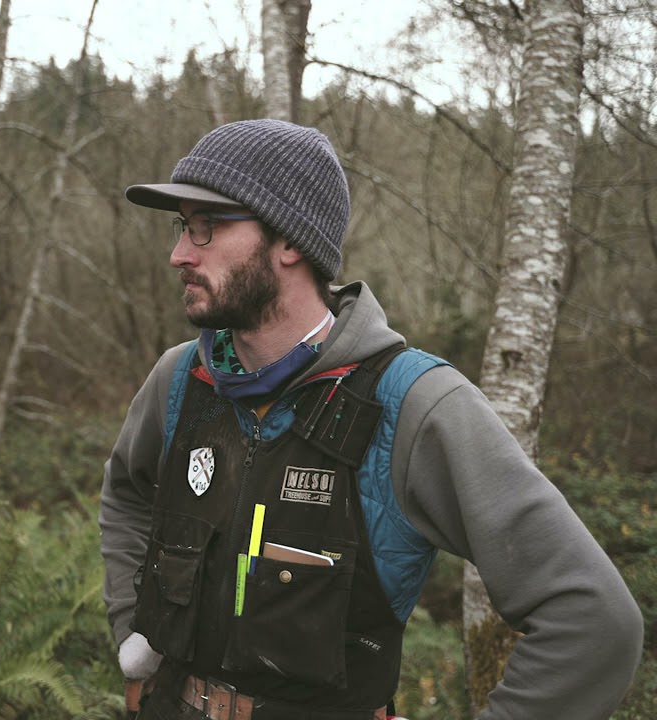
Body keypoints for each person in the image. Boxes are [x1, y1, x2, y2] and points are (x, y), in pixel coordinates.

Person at [97, 119, 642, 720]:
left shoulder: (414, 404)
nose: (179, 253)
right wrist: (135, 640)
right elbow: (127, 495)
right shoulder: (181, 381)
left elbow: (594, 619)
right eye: (182, 226)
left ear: (289, 241)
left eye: (207, 226)